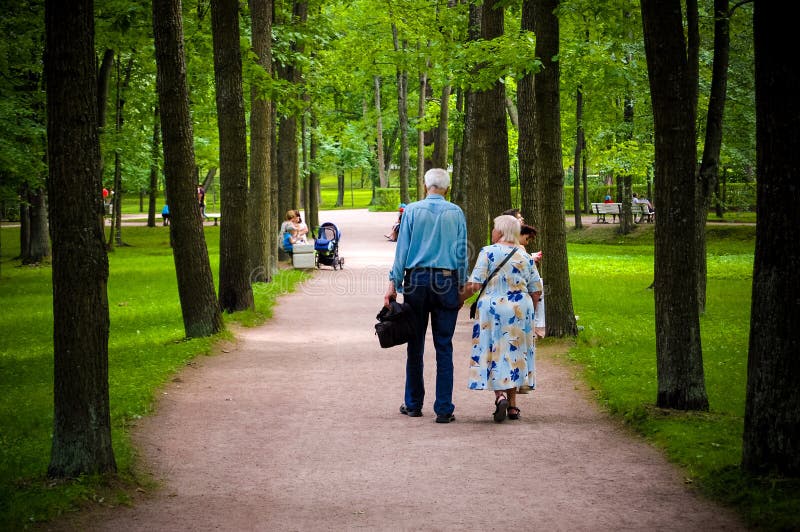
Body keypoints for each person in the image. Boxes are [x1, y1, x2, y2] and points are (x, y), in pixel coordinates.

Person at [384, 168, 467, 424]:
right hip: (446, 280)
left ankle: (413, 404)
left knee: (415, 344)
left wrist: (392, 283)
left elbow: (403, 250)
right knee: (444, 346)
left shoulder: (412, 211)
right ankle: (443, 408)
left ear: (425, 185)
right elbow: (462, 253)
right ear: (447, 188)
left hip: (416, 280)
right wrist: (462, 287)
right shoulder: (456, 212)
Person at [459, 215, 542, 422]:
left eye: (494, 228)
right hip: (520, 309)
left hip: (493, 309)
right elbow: (536, 289)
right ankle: (513, 407)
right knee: (514, 352)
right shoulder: (525, 257)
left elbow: (475, 284)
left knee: (495, 351)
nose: (492, 232)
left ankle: (500, 396)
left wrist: (457, 299)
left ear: (501, 231)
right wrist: (531, 313)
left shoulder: (488, 252)